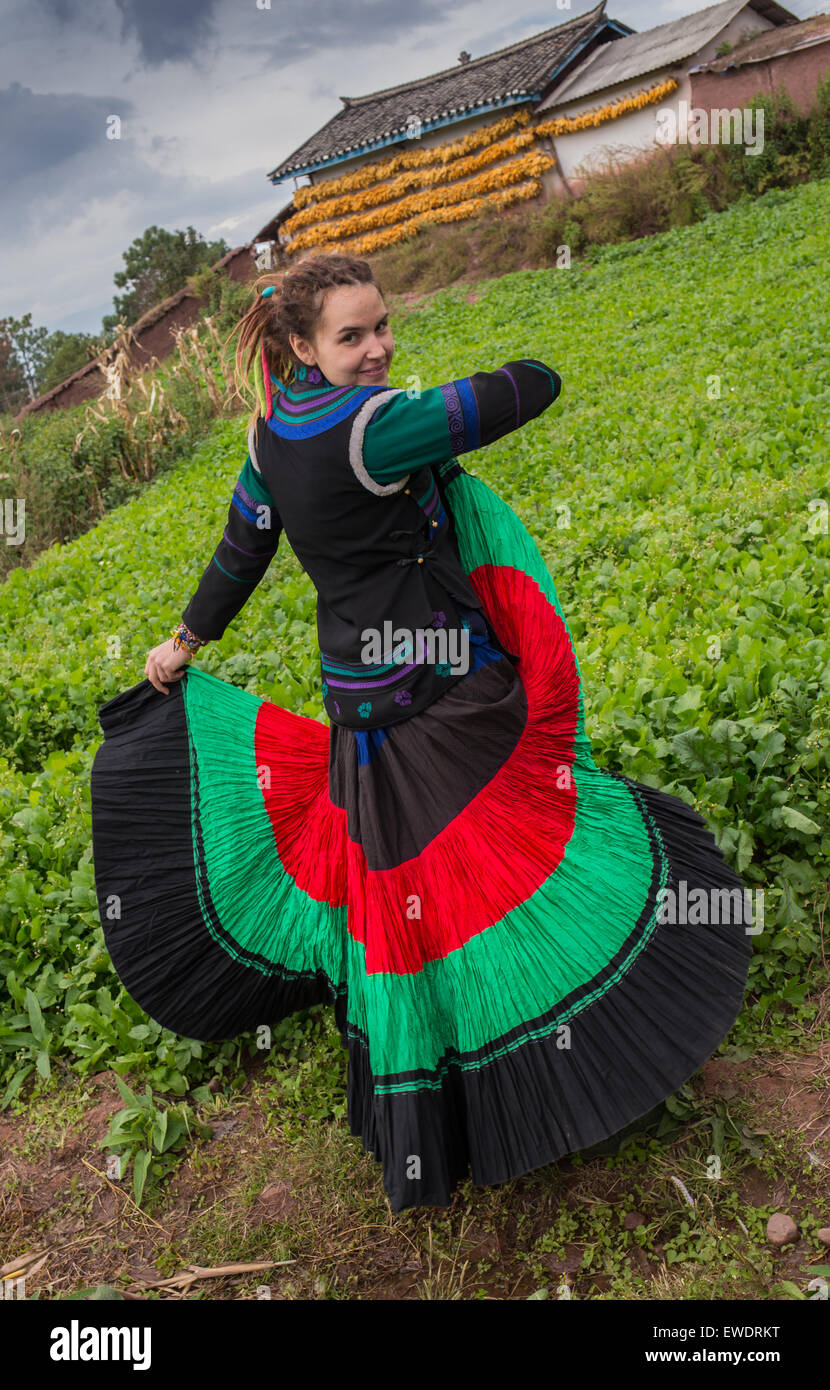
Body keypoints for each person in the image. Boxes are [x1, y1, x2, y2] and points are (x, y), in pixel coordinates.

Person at [90, 253, 753, 1213]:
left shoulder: (270, 437)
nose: (377, 348)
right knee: (533, 852)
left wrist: (187, 637)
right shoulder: (375, 430)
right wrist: (420, 402)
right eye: (353, 335)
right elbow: (533, 386)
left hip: (364, 712)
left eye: (383, 326)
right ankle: (589, 1046)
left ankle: (455, 1105)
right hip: (447, 690)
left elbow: (242, 549)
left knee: (422, 911)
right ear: (302, 345)